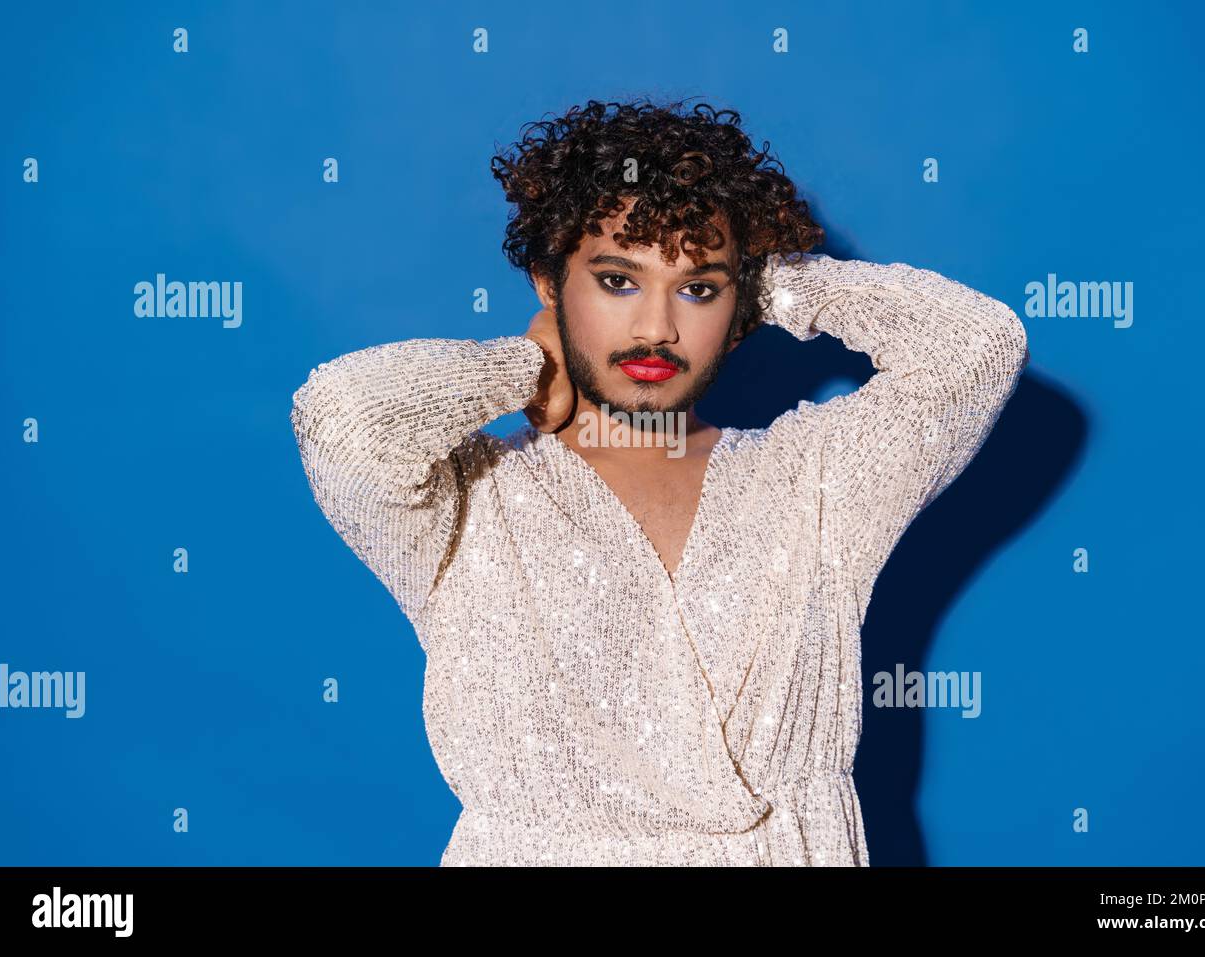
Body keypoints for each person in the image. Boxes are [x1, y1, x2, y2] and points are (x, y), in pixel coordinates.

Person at [289, 98, 1029, 866]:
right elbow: (343, 417)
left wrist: (763, 280)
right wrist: (525, 366)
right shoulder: (470, 501)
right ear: (550, 280)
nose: (656, 328)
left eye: (697, 289)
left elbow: (975, 347)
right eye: (616, 280)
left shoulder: (818, 481)